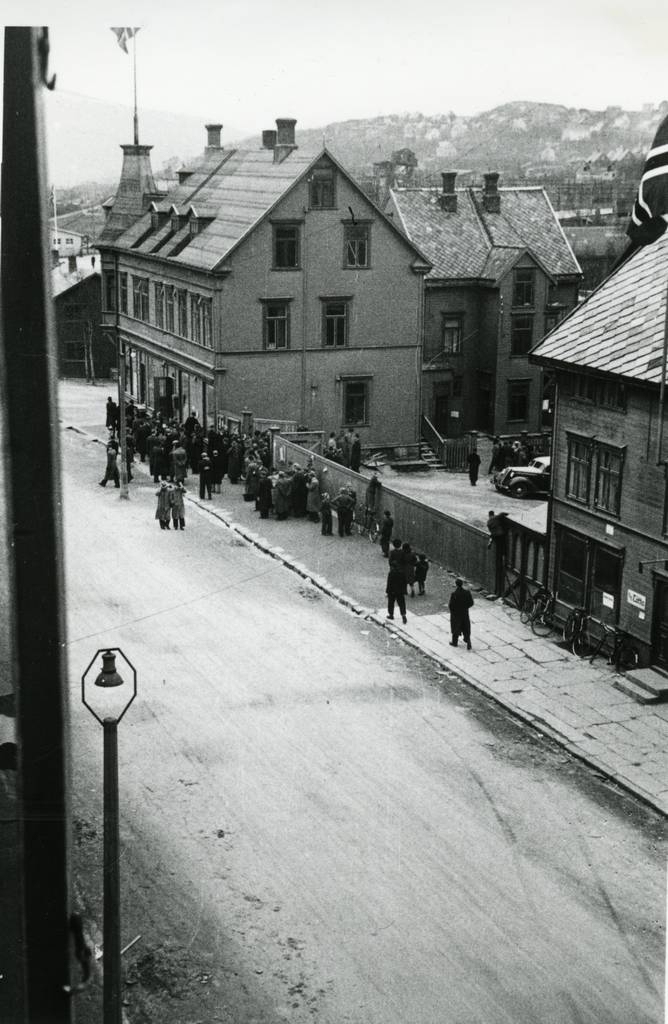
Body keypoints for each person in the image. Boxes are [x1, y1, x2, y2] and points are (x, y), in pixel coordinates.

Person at [487, 510, 509, 597]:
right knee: (504, 548)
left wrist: (490, 542)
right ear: (493, 514)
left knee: (499, 551)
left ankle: (503, 558)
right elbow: (503, 514)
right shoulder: (497, 517)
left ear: (489, 515)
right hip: (502, 535)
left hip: (496, 537)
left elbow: (491, 533)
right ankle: (505, 557)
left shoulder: (488, 522)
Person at [449, 578, 474, 649]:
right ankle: (468, 641)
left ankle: (455, 642)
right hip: (464, 613)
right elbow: (471, 603)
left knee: (455, 628)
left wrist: (453, 611)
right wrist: (465, 607)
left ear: (456, 585)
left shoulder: (454, 594)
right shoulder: (467, 593)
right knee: (466, 627)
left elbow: (451, 605)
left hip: (456, 614)